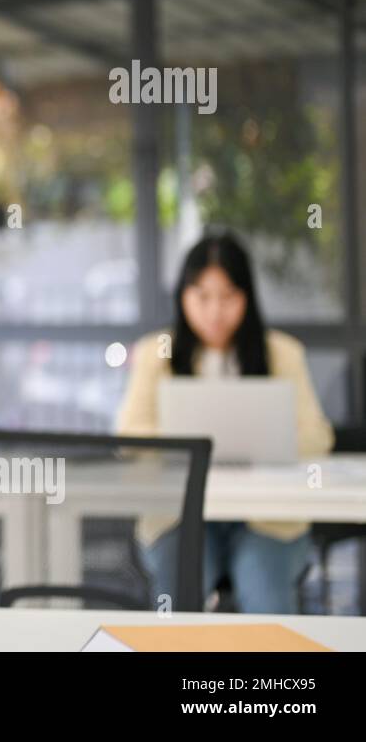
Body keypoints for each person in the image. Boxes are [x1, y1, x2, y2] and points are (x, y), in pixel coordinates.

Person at [114, 229, 335, 614]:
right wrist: (196, 445)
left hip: (268, 514)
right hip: (179, 513)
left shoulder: (282, 353)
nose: (215, 311)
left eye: (228, 296)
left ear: (247, 298)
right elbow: (129, 436)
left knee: (266, 594)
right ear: (182, 295)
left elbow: (318, 435)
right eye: (202, 296)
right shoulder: (156, 353)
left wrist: (262, 444)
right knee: (177, 602)